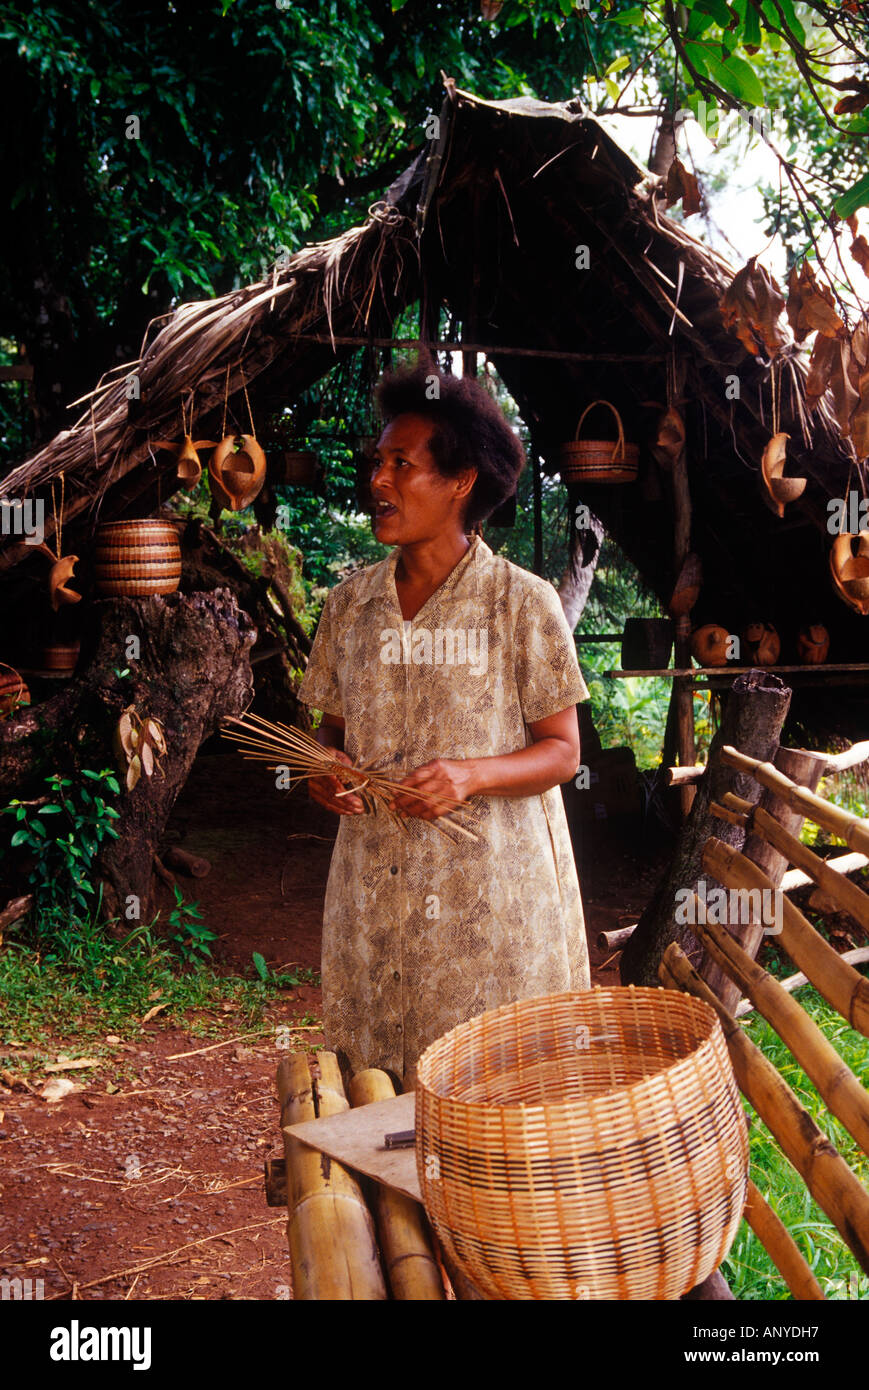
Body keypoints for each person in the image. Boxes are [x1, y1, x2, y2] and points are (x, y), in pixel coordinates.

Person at [299, 362, 590, 1087]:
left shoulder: (520, 604)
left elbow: (561, 753)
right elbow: (327, 732)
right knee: (376, 1090)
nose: (378, 481)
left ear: (459, 482)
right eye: (378, 463)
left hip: (489, 903)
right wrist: (319, 766)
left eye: (402, 464)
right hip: (373, 892)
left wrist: (470, 775)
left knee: (490, 1096)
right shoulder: (348, 608)